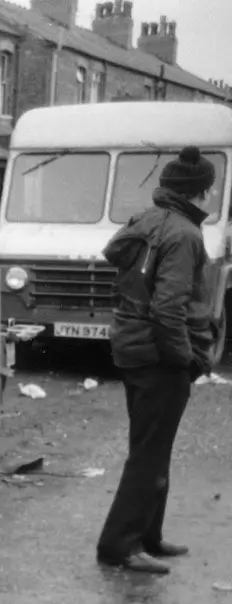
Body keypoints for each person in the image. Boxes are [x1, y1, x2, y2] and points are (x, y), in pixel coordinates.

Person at [95, 146, 218, 575]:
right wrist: (186, 360)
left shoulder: (146, 221)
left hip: (134, 347)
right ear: (199, 193)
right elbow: (168, 308)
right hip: (159, 356)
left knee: (152, 447)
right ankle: (119, 546)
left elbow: (120, 265)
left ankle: (148, 534)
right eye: (210, 190)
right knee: (148, 453)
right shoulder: (184, 233)